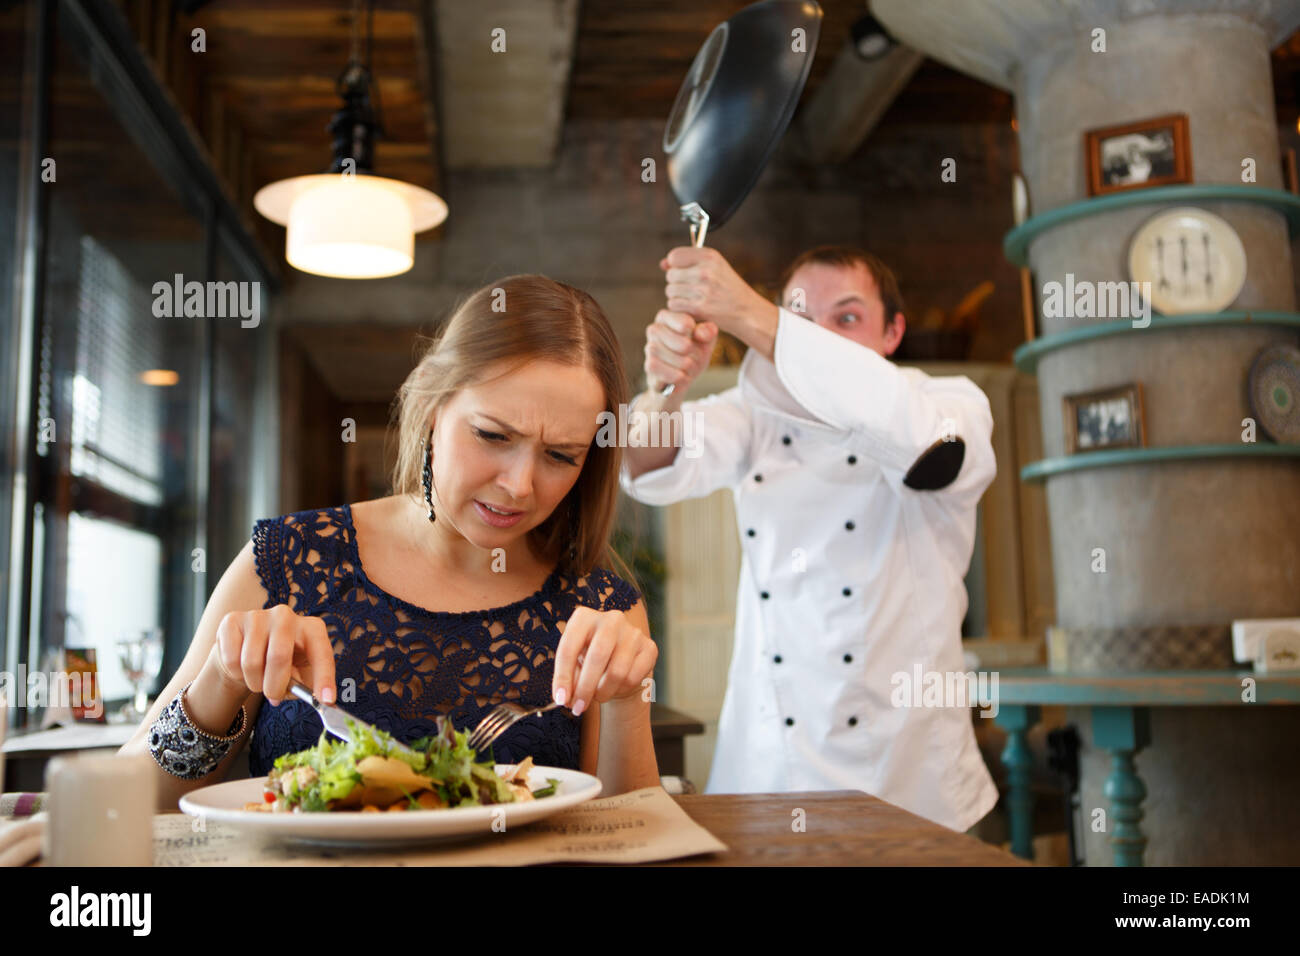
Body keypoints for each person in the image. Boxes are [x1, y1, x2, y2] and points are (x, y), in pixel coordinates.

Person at [120, 275, 661, 808]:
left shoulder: (603, 607)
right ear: (430, 403)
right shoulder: (291, 558)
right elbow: (124, 799)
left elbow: (633, 834)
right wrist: (221, 678)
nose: (520, 485)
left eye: (561, 455)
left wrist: (628, 700)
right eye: (493, 435)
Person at [620, 244, 999, 833]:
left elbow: (926, 445)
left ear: (893, 332)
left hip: (909, 778)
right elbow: (647, 469)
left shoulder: (948, 404)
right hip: (772, 772)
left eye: (846, 317)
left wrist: (748, 312)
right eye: (801, 318)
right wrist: (666, 386)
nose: (820, 336)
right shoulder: (756, 416)